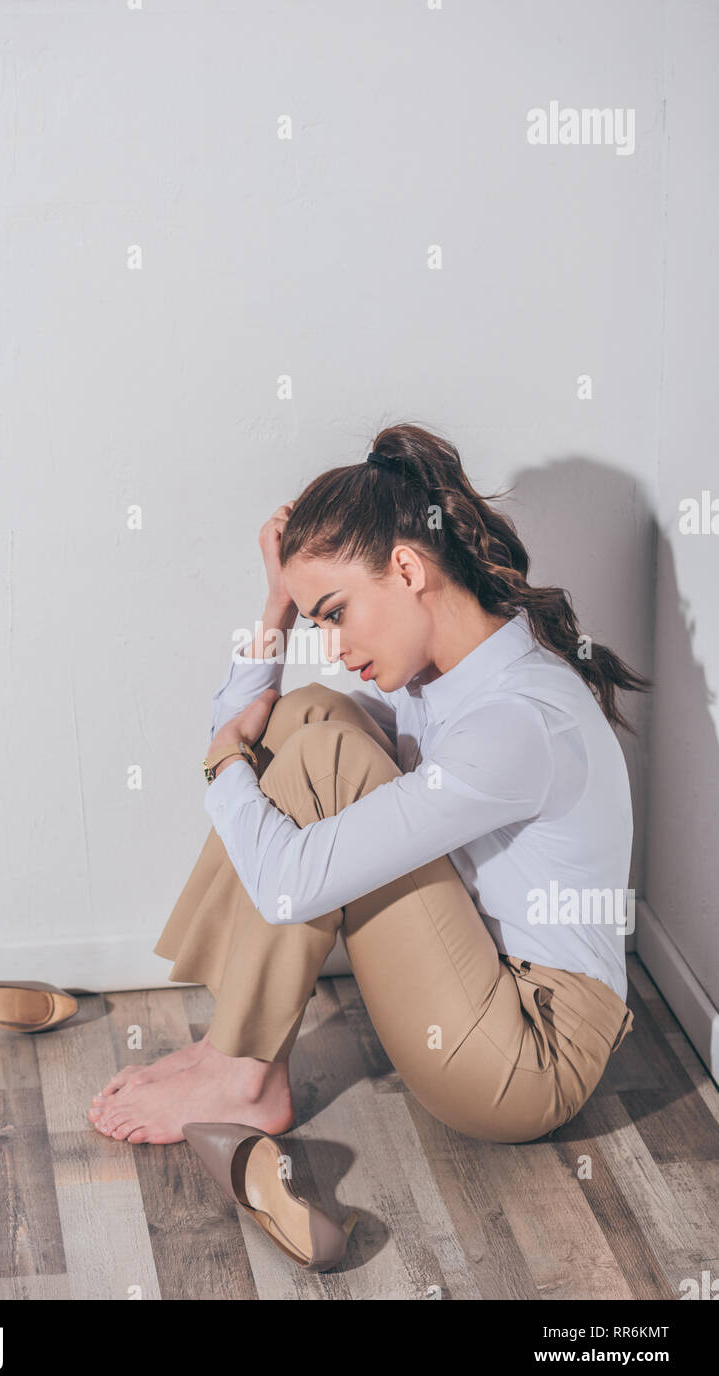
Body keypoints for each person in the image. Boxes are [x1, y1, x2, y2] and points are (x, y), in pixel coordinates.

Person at [88, 423, 651, 1145]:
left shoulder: (513, 722)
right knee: (310, 715)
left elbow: (284, 875)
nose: (334, 645)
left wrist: (222, 766)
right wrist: (276, 608)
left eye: (335, 614)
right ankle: (234, 1048)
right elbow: (250, 726)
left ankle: (243, 1073)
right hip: (478, 981)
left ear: (408, 570)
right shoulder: (443, 674)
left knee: (327, 758)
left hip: (527, 1057)